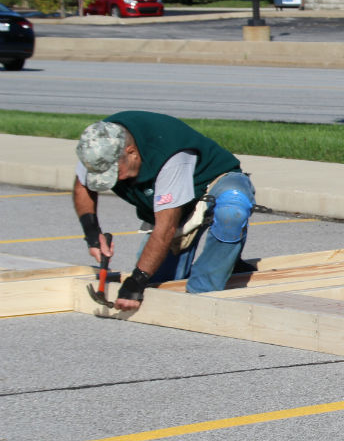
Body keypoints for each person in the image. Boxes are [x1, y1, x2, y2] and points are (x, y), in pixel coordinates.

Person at [74, 112, 256, 311]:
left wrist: (136, 280)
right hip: (175, 201)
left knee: (231, 212)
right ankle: (228, 263)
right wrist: (92, 234)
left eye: (113, 173)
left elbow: (166, 229)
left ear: (131, 152)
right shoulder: (97, 146)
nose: (110, 180)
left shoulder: (169, 156)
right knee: (160, 281)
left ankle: (203, 295)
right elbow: (82, 186)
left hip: (213, 182)